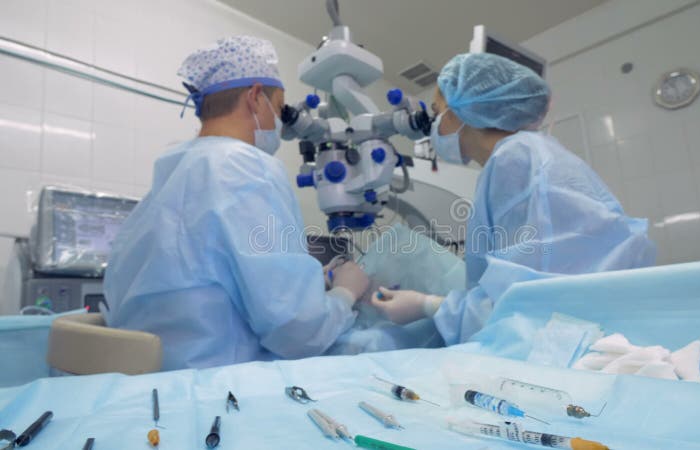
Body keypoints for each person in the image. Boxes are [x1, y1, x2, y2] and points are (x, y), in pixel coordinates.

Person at [104, 36, 369, 370]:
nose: (278, 122)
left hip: (153, 381)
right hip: (219, 388)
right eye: (279, 107)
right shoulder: (247, 169)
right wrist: (345, 293)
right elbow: (298, 331)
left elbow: (207, 278)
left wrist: (311, 284)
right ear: (255, 97)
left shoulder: (170, 172)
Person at [370, 53, 655, 344]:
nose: (434, 126)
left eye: (437, 111)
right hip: (602, 329)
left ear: (461, 111)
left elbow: (524, 308)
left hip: (570, 342)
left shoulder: (514, 159)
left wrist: (426, 305)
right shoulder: (531, 154)